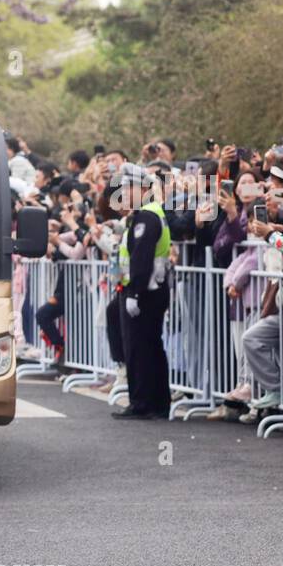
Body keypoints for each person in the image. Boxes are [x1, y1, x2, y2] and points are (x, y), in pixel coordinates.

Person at [112, 163, 172, 419]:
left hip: (145, 291)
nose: (125, 193)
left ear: (145, 189)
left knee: (139, 348)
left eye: (130, 188)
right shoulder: (147, 213)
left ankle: (142, 403)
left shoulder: (147, 216)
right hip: (151, 289)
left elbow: (142, 257)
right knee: (151, 346)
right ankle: (157, 403)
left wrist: (134, 293)